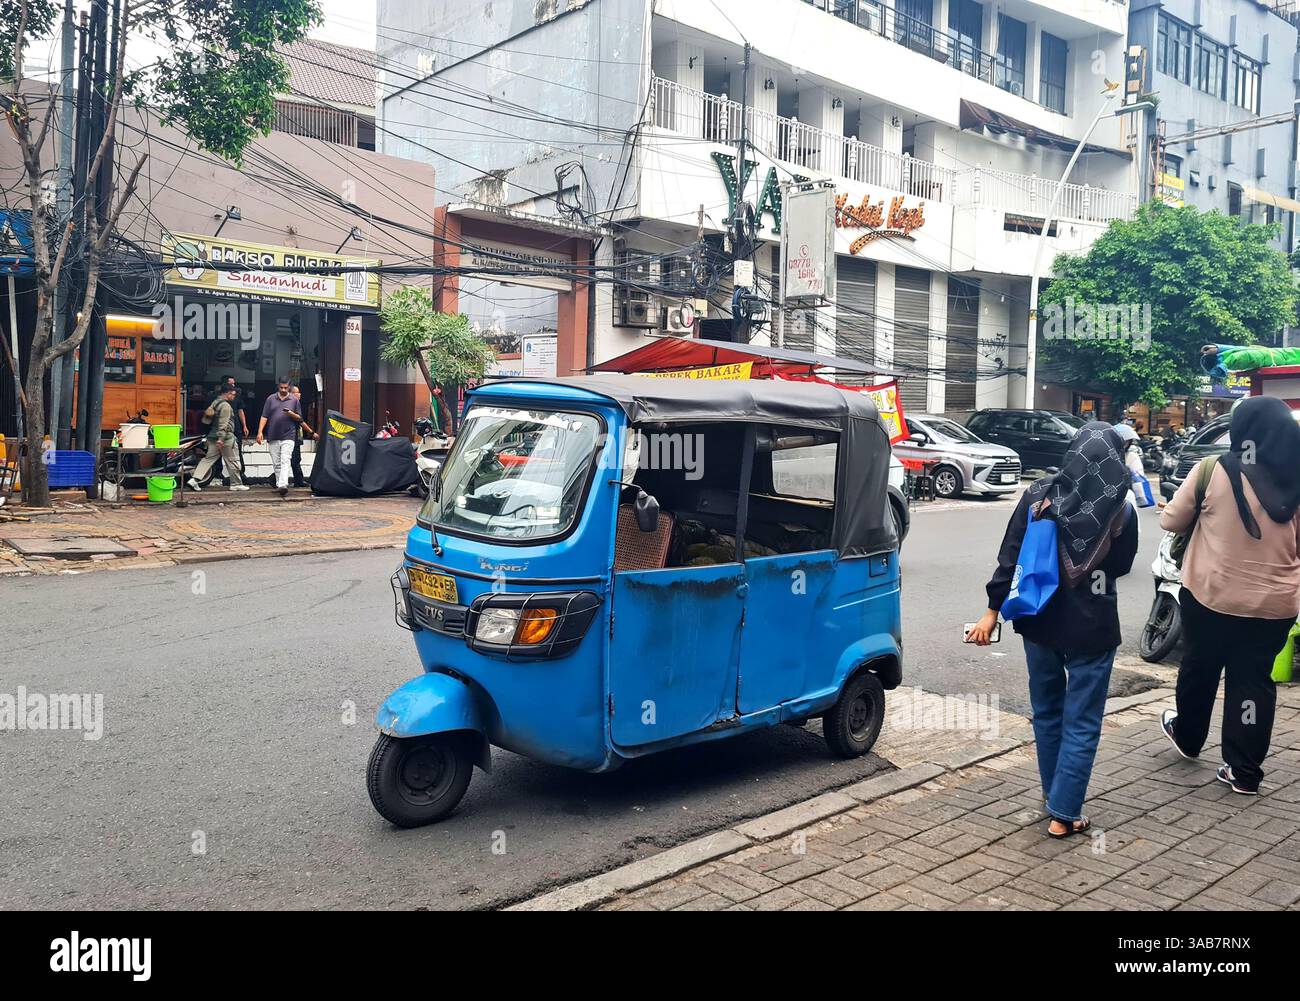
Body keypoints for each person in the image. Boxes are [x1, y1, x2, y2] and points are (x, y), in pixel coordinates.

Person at [967, 423, 1138, 837]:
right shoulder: (1121, 504)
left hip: (1038, 617)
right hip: (1092, 626)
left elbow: (1011, 555)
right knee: (1082, 719)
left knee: (1046, 712)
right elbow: (1121, 567)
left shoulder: (1038, 494)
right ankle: (1065, 813)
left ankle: (1053, 795)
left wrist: (993, 611)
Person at [1158, 396, 1300, 794]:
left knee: (1200, 668)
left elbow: (1174, 519)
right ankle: (1244, 772)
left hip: (1212, 596)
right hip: (1275, 603)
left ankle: (1188, 736)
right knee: (1252, 681)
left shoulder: (1213, 467)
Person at [188, 385, 249, 491]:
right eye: (233, 394)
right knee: (233, 460)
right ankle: (236, 484)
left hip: (212, 436)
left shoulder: (215, 402)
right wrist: (221, 438)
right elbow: (223, 424)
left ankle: (194, 480)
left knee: (208, 459)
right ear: (228, 393)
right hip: (225, 438)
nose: (234, 397)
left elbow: (206, 420)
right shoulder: (225, 406)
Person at [257, 377, 302, 498]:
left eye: (285, 388)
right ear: (278, 386)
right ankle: (279, 485)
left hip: (289, 435)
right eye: (281, 387)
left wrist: (291, 414)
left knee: (285, 459)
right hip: (273, 435)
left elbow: (300, 418)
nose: (283, 390)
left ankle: (283, 485)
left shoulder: (294, 400)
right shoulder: (271, 399)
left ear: (289, 387)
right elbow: (264, 416)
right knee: (276, 462)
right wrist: (260, 432)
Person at [212, 376, 249, 486]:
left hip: (235, 428)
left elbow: (240, 411)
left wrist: (244, 426)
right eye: (231, 384)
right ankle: (218, 473)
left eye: (234, 384)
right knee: (217, 453)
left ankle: (241, 474)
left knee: (237, 453)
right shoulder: (217, 398)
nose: (234, 386)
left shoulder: (236, 396)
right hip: (221, 429)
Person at [287, 385, 319, 488]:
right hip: (291, 436)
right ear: (291, 394)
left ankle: (298, 481)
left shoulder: (295, 404)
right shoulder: (291, 405)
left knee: (294, 459)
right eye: (297, 392)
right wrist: (311, 432)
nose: (299, 394)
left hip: (296, 435)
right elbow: (300, 421)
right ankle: (298, 481)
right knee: (294, 459)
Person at [1113, 422, 1148, 505]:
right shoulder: (1131, 456)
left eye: (1127, 441)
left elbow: (1138, 476)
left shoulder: (1131, 456)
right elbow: (1139, 476)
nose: (1125, 443)